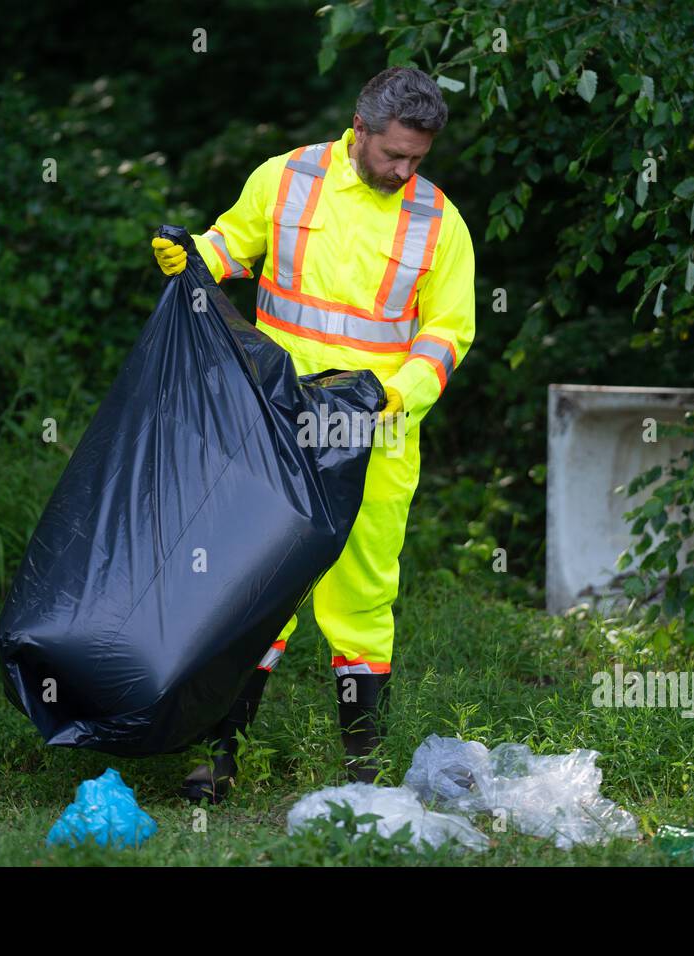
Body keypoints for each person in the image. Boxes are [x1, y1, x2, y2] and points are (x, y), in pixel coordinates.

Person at [151, 67, 476, 803]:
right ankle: (216, 759)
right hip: (275, 421)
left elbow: (449, 333)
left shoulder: (437, 220)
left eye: (417, 159)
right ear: (358, 128)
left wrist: (395, 394)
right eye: (394, 154)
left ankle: (363, 775)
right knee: (252, 585)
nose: (404, 170)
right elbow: (229, 248)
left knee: (360, 600)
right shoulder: (287, 178)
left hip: (377, 434)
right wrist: (191, 255)